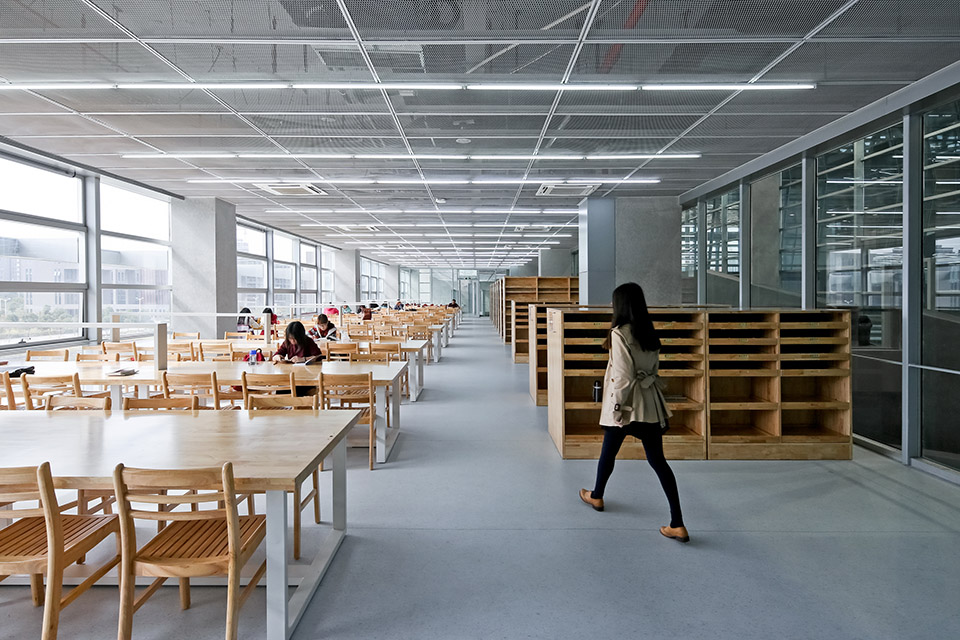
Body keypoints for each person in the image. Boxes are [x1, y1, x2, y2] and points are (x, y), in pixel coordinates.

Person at [578, 282, 688, 544]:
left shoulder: (619, 334)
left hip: (627, 406)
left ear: (621, 305)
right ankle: (678, 523)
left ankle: (597, 496)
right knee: (658, 462)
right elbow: (652, 370)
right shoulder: (649, 332)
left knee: (608, 453)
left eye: (613, 301)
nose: (611, 305)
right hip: (649, 406)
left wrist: (616, 408)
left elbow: (623, 377)